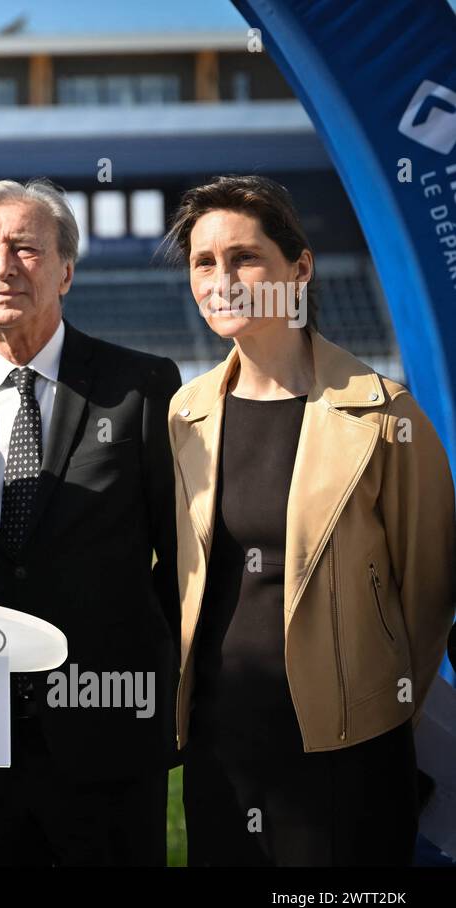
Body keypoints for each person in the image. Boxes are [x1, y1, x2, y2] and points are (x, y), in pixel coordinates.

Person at [165, 174, 456, 865]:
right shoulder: (182, 417)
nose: (221, 278)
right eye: (204, 262)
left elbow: (425, 599)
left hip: (348, 754)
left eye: (244, 257)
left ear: (299, 268)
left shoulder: (386, 416)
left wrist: (369, 707)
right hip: (222, 751)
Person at [0, 179, 181, 866]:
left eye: (26, 248)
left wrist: (164, 689)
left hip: (108, 732)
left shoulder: (141, 386)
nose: (3, 266)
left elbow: (182, 560)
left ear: (67, 271)